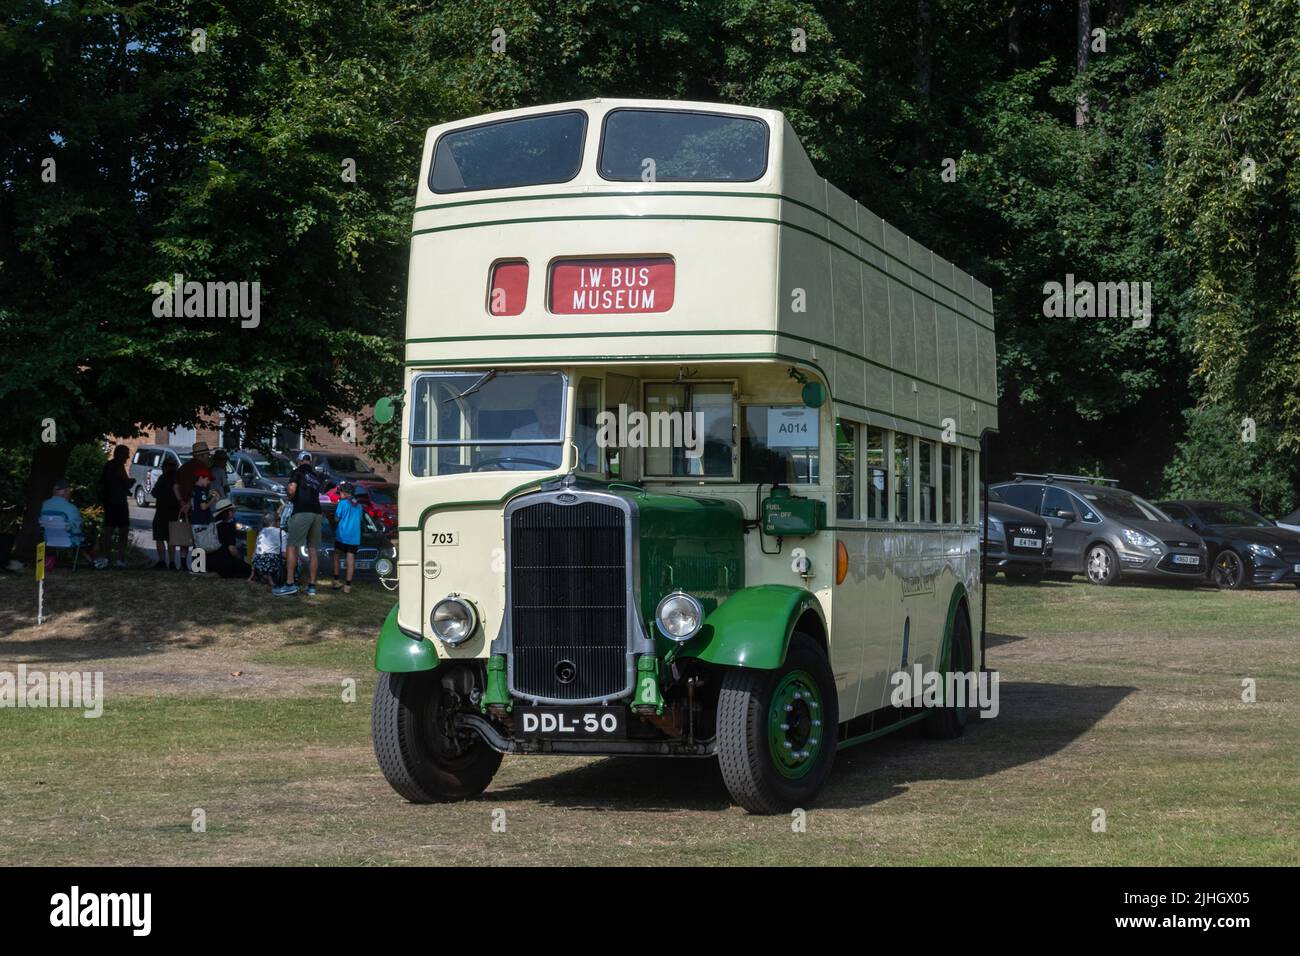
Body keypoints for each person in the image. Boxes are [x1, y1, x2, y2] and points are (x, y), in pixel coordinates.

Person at [275, 451, 324, 596]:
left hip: (302, 512)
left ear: (300, 461)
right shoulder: (315, 476)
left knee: (292, 546)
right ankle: (312, 586)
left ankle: (290, 584)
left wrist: (290, 497)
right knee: (313, 549)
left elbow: (291, 490)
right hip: (317, 513)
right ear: (309, 461)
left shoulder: (297, 472)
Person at [40, 478, 107, 570]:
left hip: (48, 539)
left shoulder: (44, 504)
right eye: (69, 491)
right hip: (68, 540)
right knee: (91, 537)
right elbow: (76, 529)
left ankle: (91, 560)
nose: (70, 493)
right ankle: (95, 561)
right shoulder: (71, 508)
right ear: (65, 492)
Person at [98, 444, 133, 568]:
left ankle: (107, 557)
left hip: (110, 503)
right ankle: (120, 559)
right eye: (126, 454)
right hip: (118, 503)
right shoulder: (117, 466)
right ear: (120, 454)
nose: (128, 457)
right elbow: (124, 482)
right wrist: (130, 482)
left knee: (109, 530)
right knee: (122, 531)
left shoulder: (109, 465)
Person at [205, 498, 252, 579]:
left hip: (209, 562)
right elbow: (231, 549)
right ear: (229, 512)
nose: (234, 513)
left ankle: (216, 573)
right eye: (233, 511)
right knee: (248, 569)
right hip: (224, 562)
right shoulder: (229, 527)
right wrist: (240, 558)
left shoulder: (213, 526)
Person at [330, 482, 363, 593]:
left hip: (342, 536)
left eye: (340, 493)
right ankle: (347, 586)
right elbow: (360, 519)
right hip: (354, 537)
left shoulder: (342, 503)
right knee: (350, 560)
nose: (339, 495)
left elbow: (336, 519)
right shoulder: (359, 505)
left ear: (344, 493)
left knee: (336, 555)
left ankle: (336, 580)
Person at [150, 457, 181, 570]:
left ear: (167, 466)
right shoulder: (178, 479)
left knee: (160, 537)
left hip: (162, 512)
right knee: (171, 538)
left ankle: (162, 561)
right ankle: (172, 562)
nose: (163, 468)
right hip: (175, 512)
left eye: (164, 466)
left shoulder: (163, 478)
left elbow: (154, 493)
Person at [174, 441, 212, 519]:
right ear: (200, 456)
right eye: (207, 455)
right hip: (198, 511)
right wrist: (189, 504)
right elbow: (200, 490)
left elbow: (175, 486)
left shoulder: (183, 468)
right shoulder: (203, 469)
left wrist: (181, 501)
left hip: (183, 509)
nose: (209, 456)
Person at [251, 510, 286, 588]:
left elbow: (255, 550)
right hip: (271, 562)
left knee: (265, 556)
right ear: (275, 521)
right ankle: (270, 577)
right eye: (279, 520)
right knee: (285, 558)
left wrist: (253, 566)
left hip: (258, 562)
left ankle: (261, 575)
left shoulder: (262, 531)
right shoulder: (281, 532)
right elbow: (284, 553)